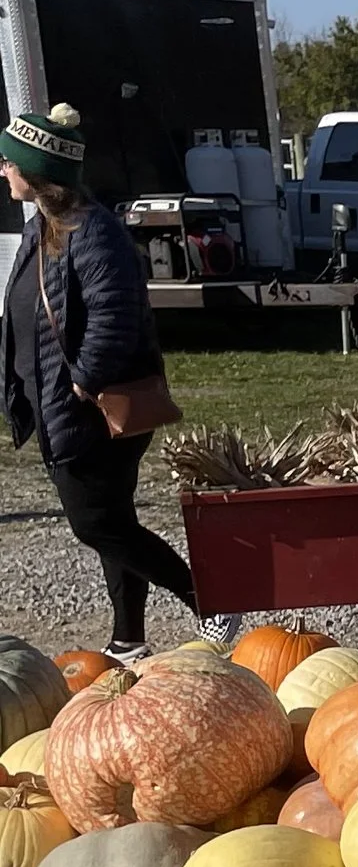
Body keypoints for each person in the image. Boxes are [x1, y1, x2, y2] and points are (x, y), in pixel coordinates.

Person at [1, 102, 202, 666]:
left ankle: (202, 596)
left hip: (91, 410)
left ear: (36, 171)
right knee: (115, 519)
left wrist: (80, 383)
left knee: (95, 523)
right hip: (60, 404)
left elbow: (115, 318)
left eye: (8, 162)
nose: (1, 170)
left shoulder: (95, 233)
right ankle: (129, 638)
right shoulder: (44, 227)